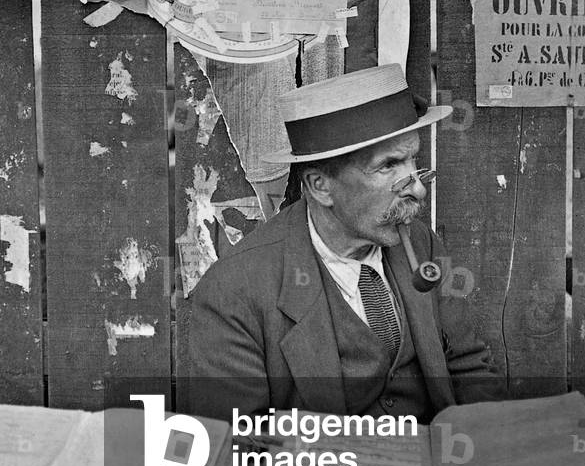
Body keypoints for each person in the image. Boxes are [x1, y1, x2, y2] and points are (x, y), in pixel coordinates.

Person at [187, 64, 507, 422]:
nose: (417, 188)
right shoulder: (232, 292)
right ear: (320, 186)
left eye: (412, 161)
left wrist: (487, 450)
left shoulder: (420, 244)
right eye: (388, 166)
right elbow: (241, 439)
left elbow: (467, 367)